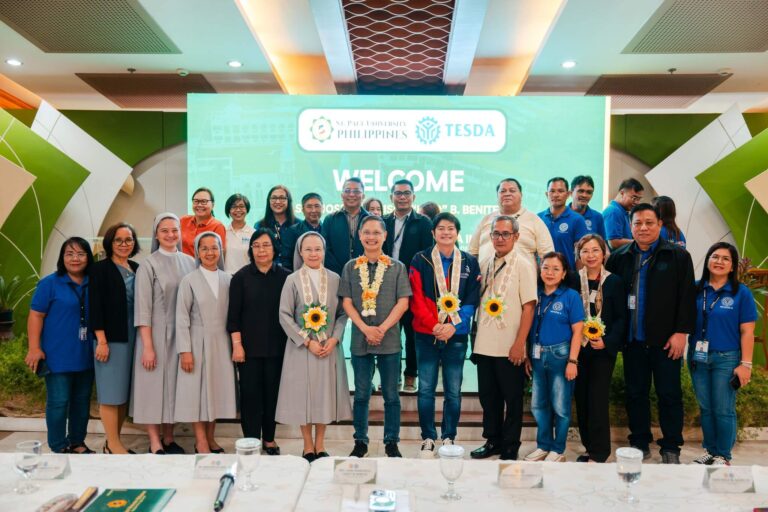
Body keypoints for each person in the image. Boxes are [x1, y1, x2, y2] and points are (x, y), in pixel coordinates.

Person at [606, 203, 696, 464]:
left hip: (666, 341)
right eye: (637, 223)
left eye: (649, 222)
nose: (643, 228)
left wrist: (681, 333)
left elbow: (686, 297)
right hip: (633, 341)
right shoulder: (619, 257)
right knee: (636, 394)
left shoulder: (678, 256)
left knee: (669, 395)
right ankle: (639, 441)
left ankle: (671, 446)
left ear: (659, 225)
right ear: (630, 226)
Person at [275, 232, 352, 462]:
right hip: (301, 349)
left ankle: (321, 444)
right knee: (304, 396)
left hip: (328, 348)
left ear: (324, 251)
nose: (313, 253)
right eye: (308, 249)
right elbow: (284, 315)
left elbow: (342, 314)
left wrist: (334, 339)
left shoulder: (335, 278)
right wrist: (307, 341)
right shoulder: (292, 280)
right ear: (300, 251)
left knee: (323, 396)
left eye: (318, 249)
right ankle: (307, 445)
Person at [410, 212, 481, 457]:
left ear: (457, 232)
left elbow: (472, 299)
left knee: (453, 390)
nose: (446, 232)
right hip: (426, 334)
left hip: (456, 336)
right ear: (433, 232)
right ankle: (428, 437)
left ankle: (449, 436)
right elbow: (416, 298)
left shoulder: (469, 262)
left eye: (451, 228)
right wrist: (435, 326)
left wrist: (453, 326)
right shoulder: (420, 259)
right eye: (441, 228)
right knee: (426, 389)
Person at [340, 216, 411, 458]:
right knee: (361, 394)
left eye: (376, 233)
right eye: (367, 232)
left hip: (389, 341)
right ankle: (360, 441)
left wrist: (380, 329)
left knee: (391, 395)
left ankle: (392, 442)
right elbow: (347, 302)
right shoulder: (350, 267)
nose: (371, 237)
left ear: (385, 236)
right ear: (360, 236)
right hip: (360, 341)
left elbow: (403, 303)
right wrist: (365, 329)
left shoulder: (397, 267)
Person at [470, 216, 536, 461]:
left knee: (513, 399)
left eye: (505, 234)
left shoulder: (524, 264)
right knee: (489, 398)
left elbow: (529, 307)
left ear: (516, 237)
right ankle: (493, 441)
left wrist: (520, 344)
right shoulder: (485, 262)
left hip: (510, 345)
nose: (500, 238)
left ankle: (510, 444)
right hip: (484, 343)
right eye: (496, 234)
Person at [132, 213, 196, 454]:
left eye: (174, 230)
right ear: (156, 235)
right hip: (155, 335)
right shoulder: (148, 265)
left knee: (174, 387)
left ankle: (169, 437)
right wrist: (148, 346)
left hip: (181, 335)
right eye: (164, 230)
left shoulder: (190, 262)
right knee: (152, 386)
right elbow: (143, 308)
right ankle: (155, 441)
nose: (170, 235)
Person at [25, 238, 95, 454]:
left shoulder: (94, 282)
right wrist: (34, 348)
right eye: (69, 254)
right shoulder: (50, 283)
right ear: (62, 257)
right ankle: (58, 445)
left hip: (86, 354)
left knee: (81, 402)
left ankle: (77, 442)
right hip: (57, 355)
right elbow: (36, 315)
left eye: (81, 254)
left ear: (88, 257)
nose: (75, 259)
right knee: (58, 402)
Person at [689, 242, 757, 466]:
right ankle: (710, 451)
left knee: (723, 409)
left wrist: (746, 364)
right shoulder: (696, 289)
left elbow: (747, 331)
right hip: (698, 357)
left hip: (726, 358)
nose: (719, 261)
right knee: (706, 407)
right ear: (708, 260)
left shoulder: (741, 293)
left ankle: (723, 455)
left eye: (725, 258)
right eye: (715, 256)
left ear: (733, 266)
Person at [227, 228, 290, 455]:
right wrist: (237, 346)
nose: (261, 250)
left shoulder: (286, 277)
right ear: (251, 249)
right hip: (248, 350)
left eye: (266, 245)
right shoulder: (240, 277)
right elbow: (233, 317)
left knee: (272, 396)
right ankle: (251, 442)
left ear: (274, 248)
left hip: (279, 349)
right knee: (250, 398)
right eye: (256, 246)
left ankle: (269, 440)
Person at [175, 232, 237, 453]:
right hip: (196, 343)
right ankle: (200, 440)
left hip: (222, 343)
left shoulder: (229, 279)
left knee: (216, 392)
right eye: (204, 248)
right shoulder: (189, 280)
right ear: (197, 252)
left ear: (221, 250)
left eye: (214, 248)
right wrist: (185, 351)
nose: (210, 252)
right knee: (197, 393)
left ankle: (211, 438)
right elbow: (181, 318)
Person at [524, 252, 584, 463]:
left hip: (561, 356)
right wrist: (527, 355)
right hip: (537, 355)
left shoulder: (570, 296)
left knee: (560, 407)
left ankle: (558, 450)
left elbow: (578, 331)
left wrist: (573, 361)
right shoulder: (535, 295)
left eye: (556, 269)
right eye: (546, 268)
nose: (550, 273)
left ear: (564, 273)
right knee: (538, 405)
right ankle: (543, 446)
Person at [572, 234, 626, 463]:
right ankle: (589, 447)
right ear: (579, 255)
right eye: (585, 251)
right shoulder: (573, 280)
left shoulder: (614, 282)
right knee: (582, 399)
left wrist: (608, 341)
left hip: (602, 350)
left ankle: (600, 452)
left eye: (595, 250)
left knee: (597, 399)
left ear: (604, 254)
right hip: (578, 348)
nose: (591, 255)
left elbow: (622, 319)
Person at [90, 222, 140, 454]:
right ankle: (113, 443)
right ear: (110, 243)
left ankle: (113, 442)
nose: (123, 244)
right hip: (110, 339)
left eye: (128, 239)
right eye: (118, 240)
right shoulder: (100, 269)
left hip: (133, 337)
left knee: (122, 394)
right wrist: (101, 341)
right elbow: (95, 307)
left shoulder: (137, 268)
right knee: (110, 393)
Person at [383, 179, 433, 393]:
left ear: (413, 197)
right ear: (391, 197)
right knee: (389, 333)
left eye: (406, 193)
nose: (402, 197)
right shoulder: (382, 221)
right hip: (386, 286)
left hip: (412, 286)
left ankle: (411, 375)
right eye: (398, 193)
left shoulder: (423, 223)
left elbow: (427, 256)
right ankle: (391, 375)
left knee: (412, 334)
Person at [469, 178, 554, 269]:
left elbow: (548, 256)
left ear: (521, 195)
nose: (507, 194)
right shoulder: (486, 220)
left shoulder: (534, 220)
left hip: (523, 277)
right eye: (503, 191)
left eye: (512, 191)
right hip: (485, 277)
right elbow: (472, 253)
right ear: (497, 195)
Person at [538, 177, 589, 270]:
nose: (556, 195)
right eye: (552, 191)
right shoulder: (538, 218)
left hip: (567, 274)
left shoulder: (577, 220)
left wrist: (579, 276)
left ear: (568, 194)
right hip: (543, 273)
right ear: (546, 194)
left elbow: (581, 254)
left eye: (560, 191)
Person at [322, 177, 370, 276]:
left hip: (366, 275)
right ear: (342, 195)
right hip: (336, 276)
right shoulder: (330, 219)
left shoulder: (372, 220)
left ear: (363, 196)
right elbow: (325, 249)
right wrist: (340, 273)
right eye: (347, 191)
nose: (351, 194)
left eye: (356, 191)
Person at [279, 193, 324, 271]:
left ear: (322, 208)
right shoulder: (292, 231)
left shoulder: (328, 229)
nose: (313, 210)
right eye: (309, 207)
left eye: (317, 206)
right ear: (303, 210)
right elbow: (286, 261)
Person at [180, 187, 227, 257]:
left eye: (204, 201)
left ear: (213, 205)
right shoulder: (183, 220)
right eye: (196, 201)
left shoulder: (218, 226)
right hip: (181, 263)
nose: (199, 205)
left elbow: (218, 256)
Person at [254, 185, 297, 256]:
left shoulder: (299, 225)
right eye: (274, 198)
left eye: (282, 198)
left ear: (288, 201)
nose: (278, 202)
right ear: (269, 201)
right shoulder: (259, 225)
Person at [603, 178, 643, 250]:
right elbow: (614, 243)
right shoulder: (613, 211)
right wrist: (640, 242)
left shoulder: (623, 211)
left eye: (639, 199)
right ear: (622, 193)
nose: (637, 202)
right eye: (634, 198)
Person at [223, 193, 255, 274]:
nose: (238, 210)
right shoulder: (223, 232)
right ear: (228, 210)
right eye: (234, 207)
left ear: (247, 209)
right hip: (226, 277)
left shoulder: (253, 233)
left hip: (247, 277)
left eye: (241, 206)